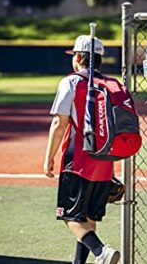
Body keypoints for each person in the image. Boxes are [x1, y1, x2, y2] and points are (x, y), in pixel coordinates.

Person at [43, 34, 120, 264]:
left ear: (78, 57)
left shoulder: (71, 82)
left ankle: (100, 252)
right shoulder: (111, 84)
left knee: (70, 215)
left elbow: (59, 123)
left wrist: (48, 157)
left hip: (77, 160)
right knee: (88, 217)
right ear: (99, 60)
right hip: (105, 161)